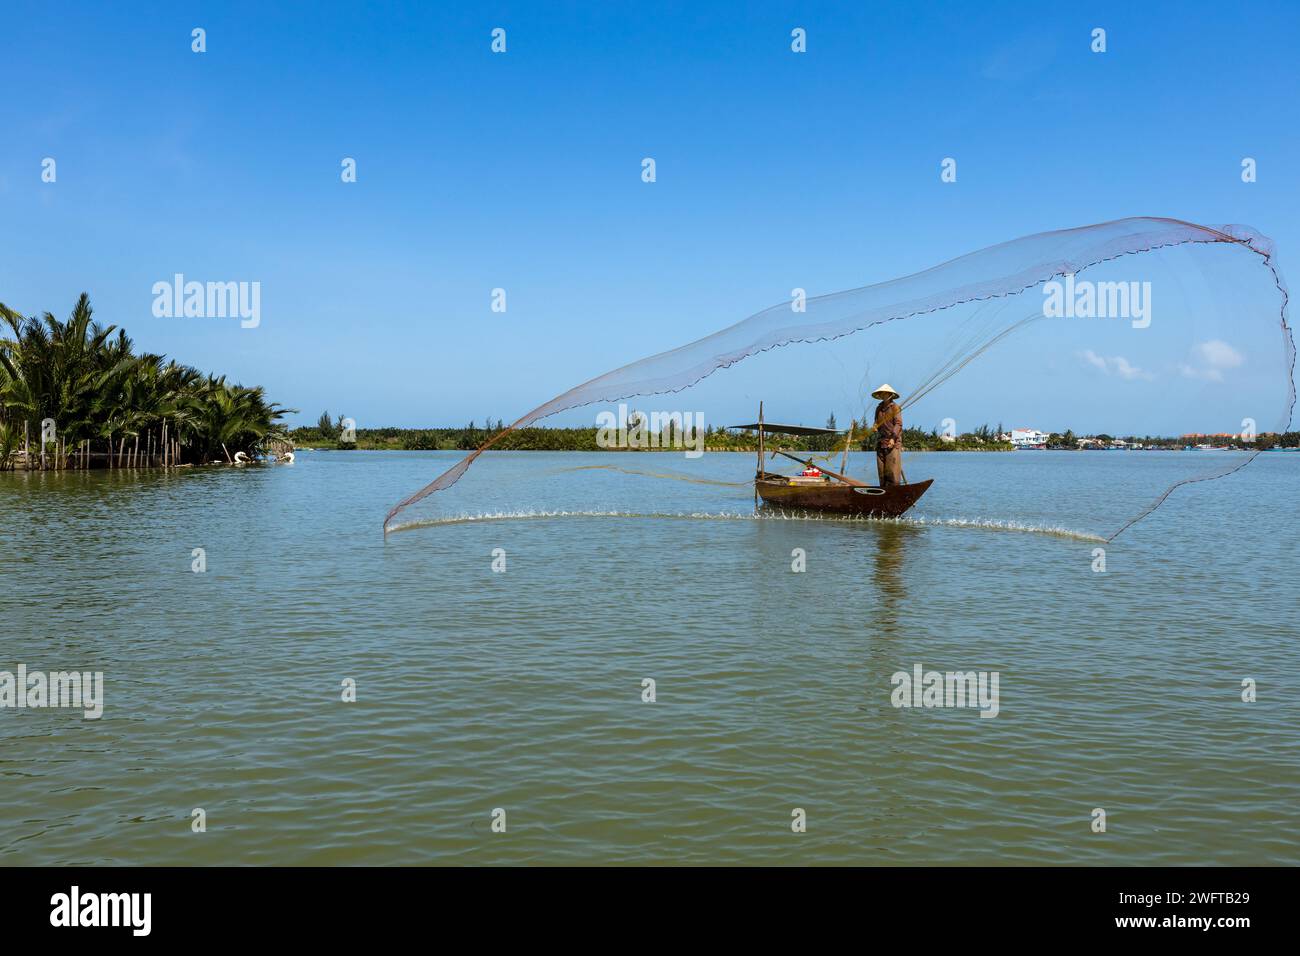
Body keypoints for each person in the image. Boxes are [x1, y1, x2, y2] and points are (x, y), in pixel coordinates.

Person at [872, 383, 904, 487]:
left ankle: (894, 492)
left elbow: (898, 424)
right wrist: (875, 427)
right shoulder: (879, 408)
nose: (882, 395)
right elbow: (876, 422)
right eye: (881, 393)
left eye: (884, 393)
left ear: (889, 394)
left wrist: (893, 439)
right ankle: (883, 492)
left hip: (893, 443)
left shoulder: (895, 407)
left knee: (892, 471)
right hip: (881, 442)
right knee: (882, 472)